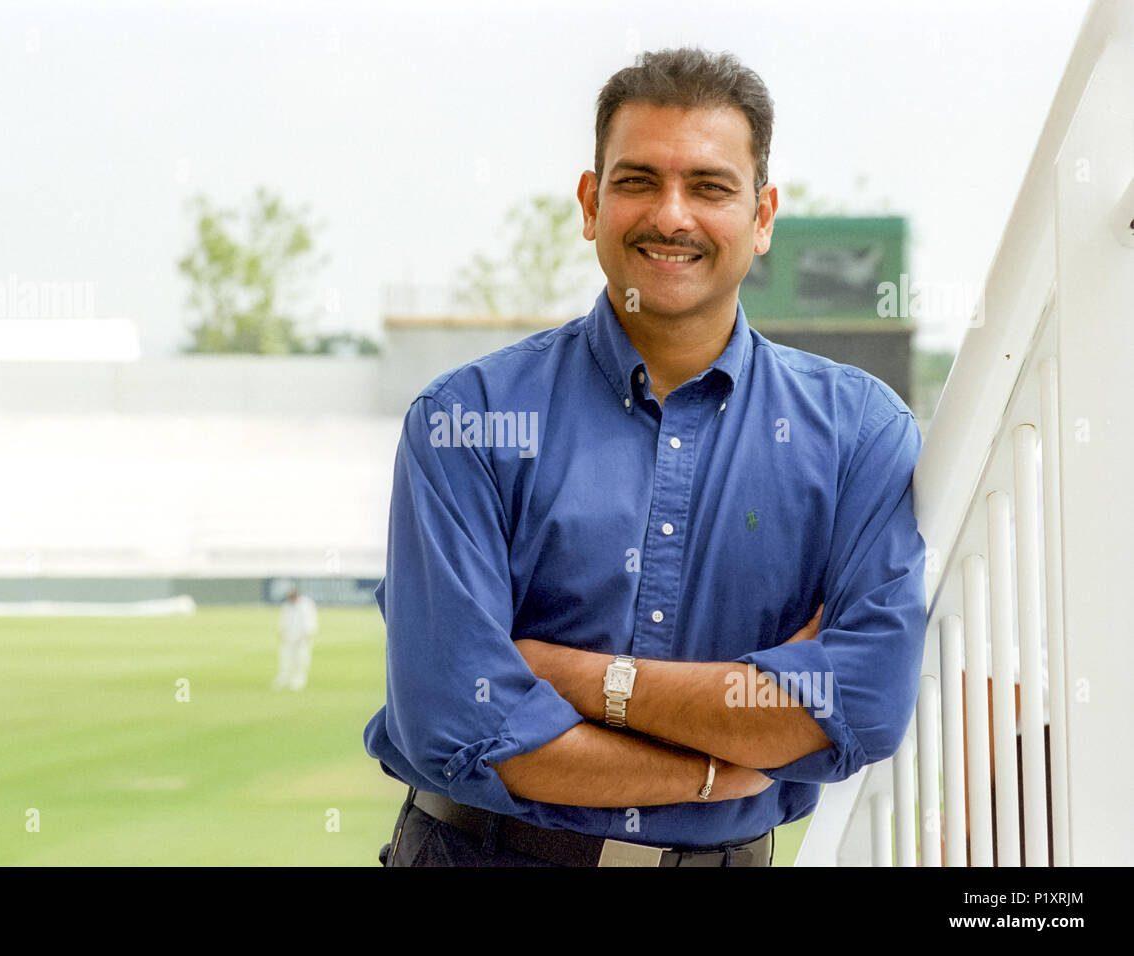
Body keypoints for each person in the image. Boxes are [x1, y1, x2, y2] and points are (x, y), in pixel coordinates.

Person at [364, 47, 926, 867]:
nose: (672, 215)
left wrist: (575, 678)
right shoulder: (468, 420)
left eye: (709, 186)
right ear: (592, 203)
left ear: (763, 216)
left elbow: (862, 704)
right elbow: (463, 723)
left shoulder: (860, 433)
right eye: (637, 181)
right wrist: (717, 766)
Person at [274, 587, 318, 691]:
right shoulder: (287, 605)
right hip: (288, 636)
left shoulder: (306, 604)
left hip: (302, 637)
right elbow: (284, 620)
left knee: (301, 658)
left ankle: (299, 679)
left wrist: (308, 633)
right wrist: (281, 631)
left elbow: (311, 620)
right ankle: (284, 678)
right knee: (285, 658)